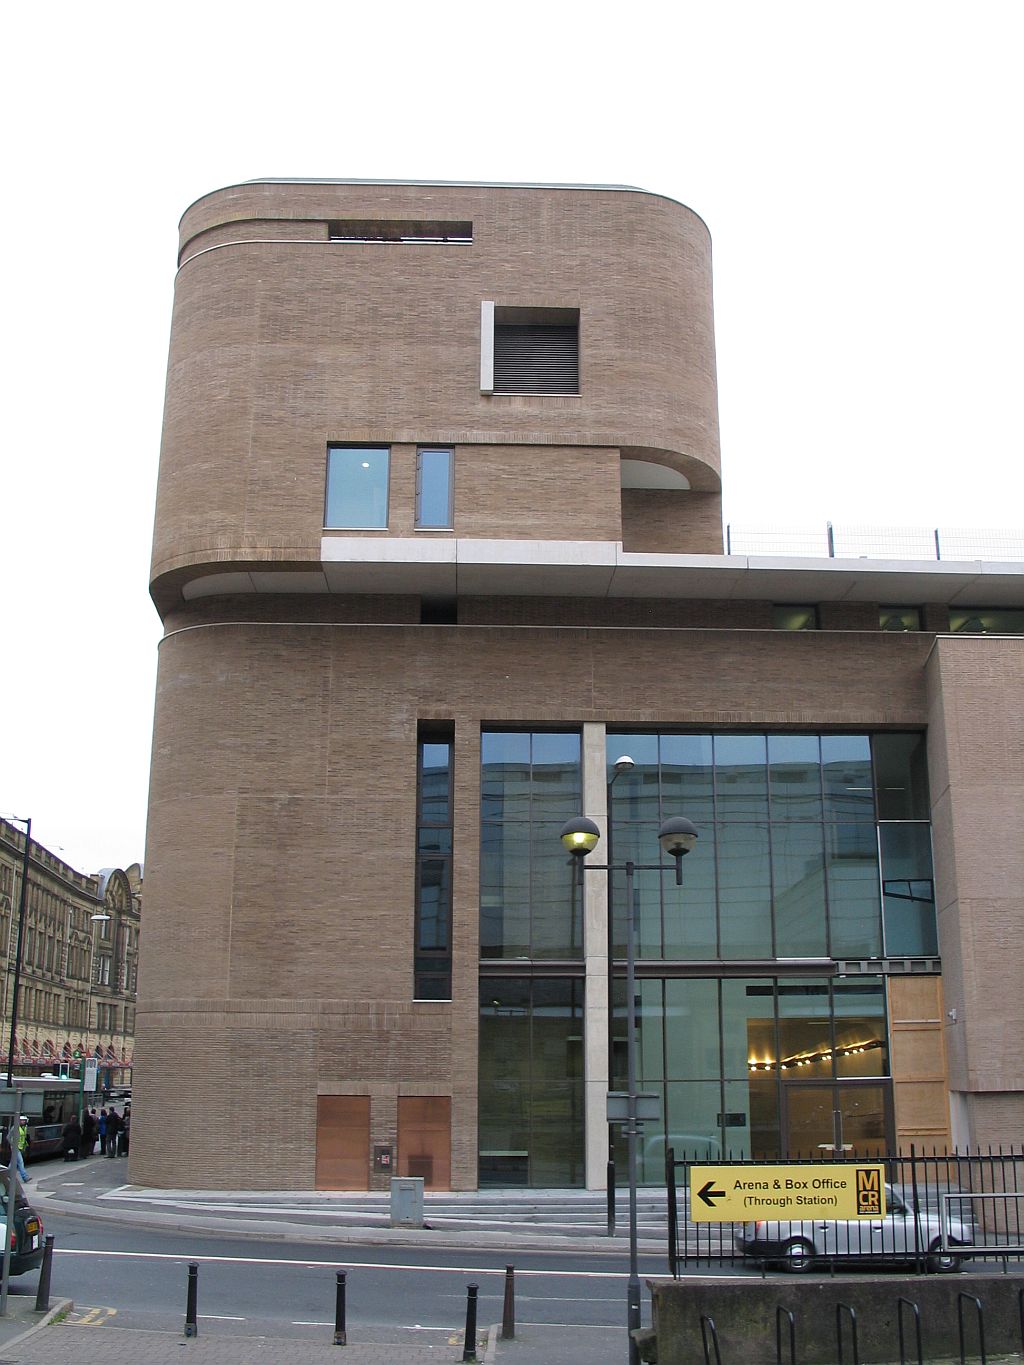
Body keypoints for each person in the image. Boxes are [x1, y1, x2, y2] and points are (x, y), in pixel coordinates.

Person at [15, 1117, 30, 1182]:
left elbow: (24, 1138)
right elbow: (9, 1137)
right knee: (20, 1162)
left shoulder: (25, 1127)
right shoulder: (15, 1127)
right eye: (22, 1120)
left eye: (24, 1120)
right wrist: (12, 1145)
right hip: (15, 1148)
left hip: (20, 1147)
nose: (23, 1121)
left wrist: (25, 1146)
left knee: (12, 1164)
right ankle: (25, 1177)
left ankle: (5, 1174)